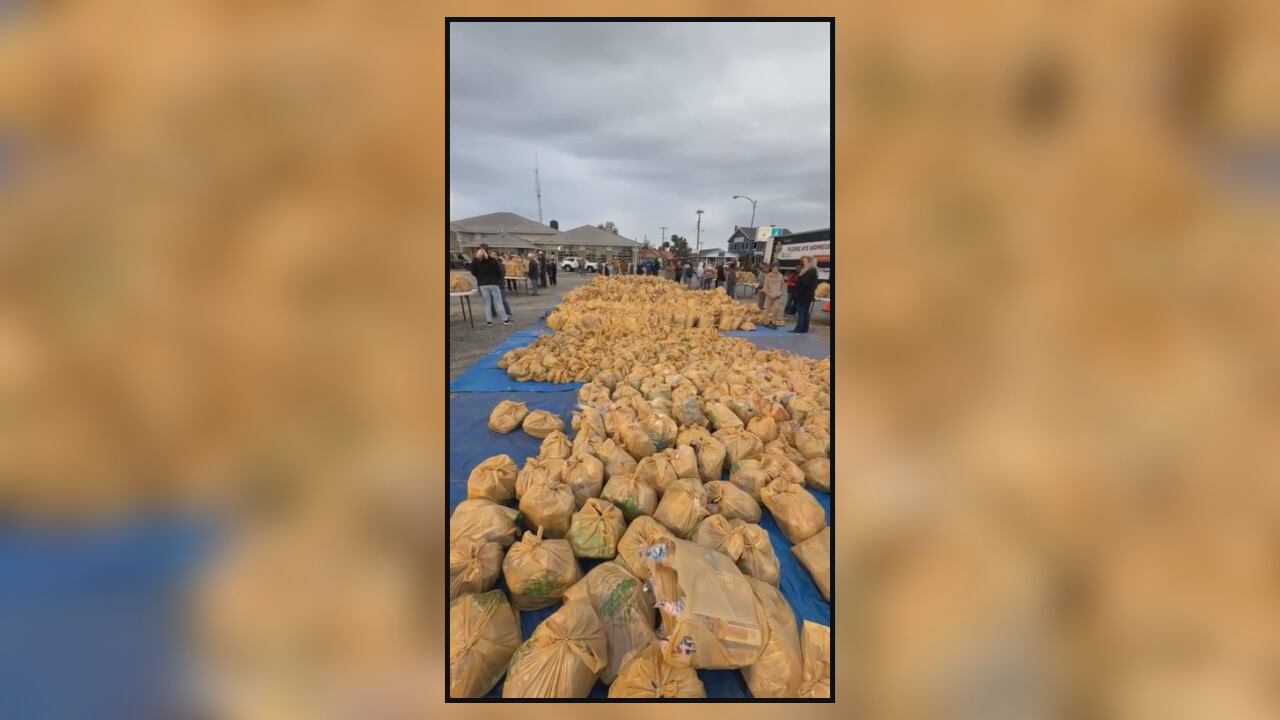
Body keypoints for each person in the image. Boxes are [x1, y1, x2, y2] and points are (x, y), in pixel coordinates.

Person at [468, 245, 512, 326]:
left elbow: (473, 272)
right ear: (488, 250)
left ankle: (489, 321)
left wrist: (480, 276)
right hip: (493, 283)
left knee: (487, 303)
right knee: (499, 302)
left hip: (482, 284)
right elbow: (498, 271)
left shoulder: (475, 260)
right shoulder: (492, 260)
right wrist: (495, 278)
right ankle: (505, 319)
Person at [790, 256, 819, 334]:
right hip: (808, 296)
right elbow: (814, 285)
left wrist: (797, 292)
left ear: (809, 262)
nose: (803, 262)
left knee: (801, 312)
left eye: (805, 261)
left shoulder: (809, 272)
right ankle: (804, 328)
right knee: (805, 312)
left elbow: (805, 284)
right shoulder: (814, 271)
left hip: (803, 296)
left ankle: (798, 329)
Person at [759, 262, 785, 328]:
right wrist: (769, 293)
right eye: (774, 268)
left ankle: (773, 323)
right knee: (767, 309)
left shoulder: (781, 276)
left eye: (777, 268)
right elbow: (765, 287)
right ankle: (766, 322)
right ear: (772, 268)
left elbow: (782, 285)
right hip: (769, 294)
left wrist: (779, 292)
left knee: (776, 309)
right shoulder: (768, 276)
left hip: (777, 295)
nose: (775, 269)